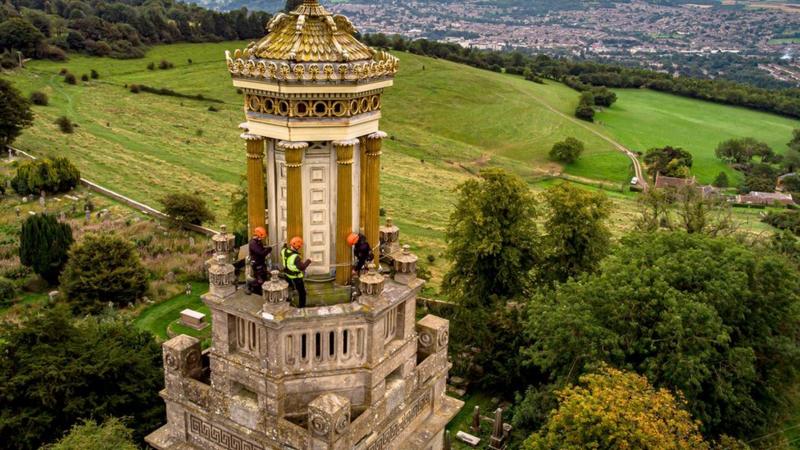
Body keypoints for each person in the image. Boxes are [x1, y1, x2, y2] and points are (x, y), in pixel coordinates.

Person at [282, 236, 312, 308]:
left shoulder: (283, 251)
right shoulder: (296, 257)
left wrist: (285, 243)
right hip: (296, 277)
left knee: (289, 288)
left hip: (287, 275)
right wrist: (309, 260)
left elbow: (284, 247)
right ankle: (302, 306)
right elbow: (302, 267)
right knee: (302, 292)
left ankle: (288, 301)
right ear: (298, 247)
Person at [245, 227, 271, 295]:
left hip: (261, 263)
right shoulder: (253, 243)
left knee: (264, 278)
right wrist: (268, 250)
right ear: (258, 235)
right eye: (261, 237)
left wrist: (266, 248)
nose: (262, 238)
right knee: (260, 280)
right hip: (256, 264)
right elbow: (261, 253)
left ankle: (259, 290)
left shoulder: (258, 242)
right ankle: (249, 284)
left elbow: (261, 249)